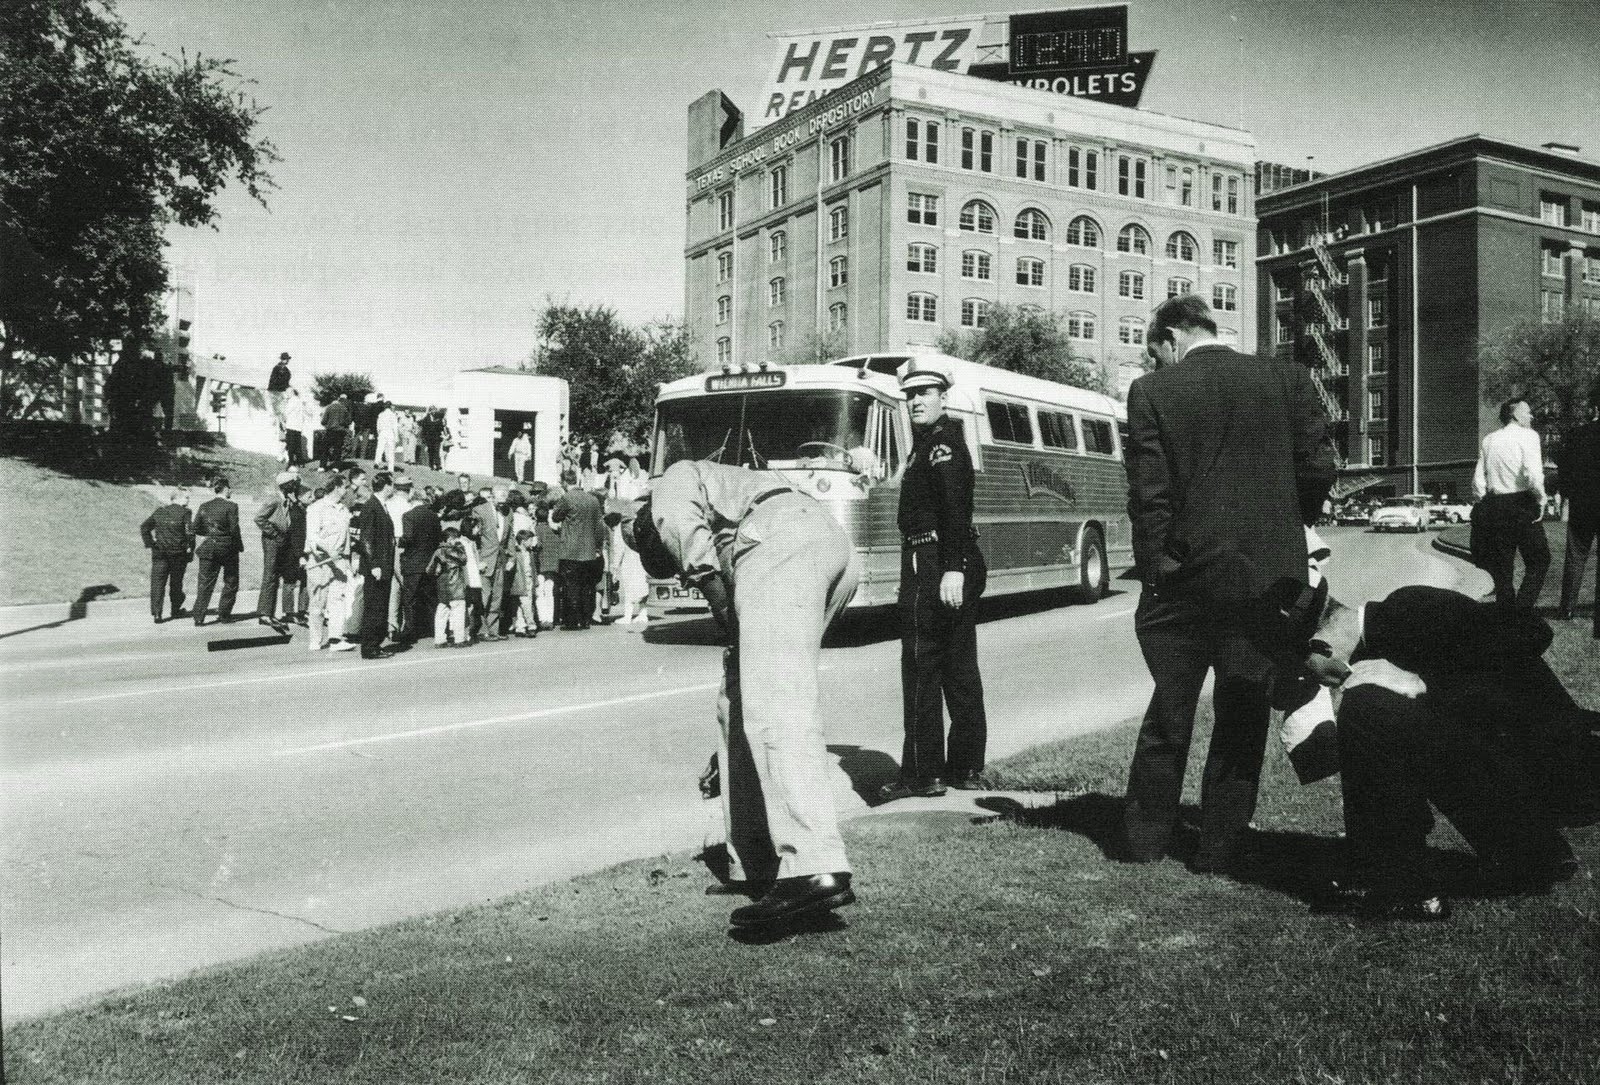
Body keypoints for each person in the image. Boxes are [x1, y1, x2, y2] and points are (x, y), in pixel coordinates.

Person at [1120, 292, 1337, 874]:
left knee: (1168, 713)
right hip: (1268, 583)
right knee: (1242, 714)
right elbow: (1319, 466)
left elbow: (1149, 499)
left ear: (1170, 339)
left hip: (1185, 581)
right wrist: (1287, 523)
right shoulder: (1286, 379)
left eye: (1155, 352)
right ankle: (1220, 847)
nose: (1156, 362)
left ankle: (1143, 839)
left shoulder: (1152, 392)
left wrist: (1158, 576)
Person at [625, 459, 860, 928]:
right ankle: (755, 861)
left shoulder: (672, 481)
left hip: (779, 544)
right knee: (739, 700)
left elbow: (679, 526)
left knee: (778, 707)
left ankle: (814, 866)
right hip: (827, 542)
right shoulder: (737, 486)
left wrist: (712, 590)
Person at [1307, 585, 1598, 920]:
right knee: (1381, 706)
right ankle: (1534, 852)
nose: (1311, 679)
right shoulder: (1388, 627)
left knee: (1366, 708)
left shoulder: (1408, 607)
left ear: (1320, 645)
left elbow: (1532, 629)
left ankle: (1403, 888)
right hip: (1522, 766)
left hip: (1562, 769)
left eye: (1305, 668)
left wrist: (1423, 680)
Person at [878, 358, 990, 802]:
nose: (915, 401)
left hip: (934, 559)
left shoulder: (940, 446)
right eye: (909, 394)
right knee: (959, 667)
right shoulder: (932, 444)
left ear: (944, 397)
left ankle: (924, 775)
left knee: (923, 667)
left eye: (925, 393)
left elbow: (955, 508)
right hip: (941, 558)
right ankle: (964, 766)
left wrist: (954, 567)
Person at [1471, 397, 1550, 609]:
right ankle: (1522, 610)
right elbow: (1533, 473)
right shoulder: (1529, 436)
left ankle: (1506, 612)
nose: (1531, 416)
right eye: (1527, 412)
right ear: (1514, 415)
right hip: (1523, 503)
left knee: (1503, 566)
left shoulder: (1489, 440)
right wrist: (1541, 498)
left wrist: (1484, 502)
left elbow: (1478, 480)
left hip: (1495, 504)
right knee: (1539, 560)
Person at [1555, 388, 1600, 636]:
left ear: (1594, 409)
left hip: (1583, 503)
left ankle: (1567, 608)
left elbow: (1565, 470)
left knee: (1576, 556)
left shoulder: (1575, 435)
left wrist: (1568, 495)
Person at [304, 475, 357, 651]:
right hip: (320, 562)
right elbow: (313, 536)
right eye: (345, 487)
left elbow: (347, 537)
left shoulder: (343, 509)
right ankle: (315, 640)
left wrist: (347, 559)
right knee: (318, 602)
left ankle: (335, 639)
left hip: (339, 561)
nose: (347, 490)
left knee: (338, 600)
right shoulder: (316, 508)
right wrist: (329, 550)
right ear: (336, 487)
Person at [551, 468, 607, 630]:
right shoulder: (593, 500)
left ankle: (571, 620)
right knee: (586, 586)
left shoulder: (566, 498)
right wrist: (598, 547)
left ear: (564, 482)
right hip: (589, 551)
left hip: (570, 550)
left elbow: (555, 517)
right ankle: (585, 619)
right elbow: (599, 527)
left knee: (570, 585)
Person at [354, 472, 398, 659]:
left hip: (383, 565)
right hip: (377, 566)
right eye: (392, 484)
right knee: (374, 606)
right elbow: (366, 539)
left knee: (380, 606)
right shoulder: (372, 507)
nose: (393, 488)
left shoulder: (379, 505)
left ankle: (376, 644)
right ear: (386, 486)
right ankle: (370, 646)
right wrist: (374, 565)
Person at [189, 476, 244, 626]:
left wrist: (209, 533)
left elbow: (194, 528)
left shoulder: (204, 506)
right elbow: (234, 529)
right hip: (227, 548)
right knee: (231, 582)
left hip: (208, 548)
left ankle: (198, 617)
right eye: (229, 489)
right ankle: (224, 614)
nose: (230, 491)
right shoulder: (231, 506)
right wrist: (238, 546)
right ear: (225, 489)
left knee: (205, 583)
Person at [254, 471, 304, 631]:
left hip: (280, 540)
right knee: (270, 576)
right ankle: (264, 613)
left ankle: (268, 612)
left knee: (275, 575)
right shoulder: (275, 500)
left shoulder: (286, 500)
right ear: (288, 485)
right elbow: (259, 518)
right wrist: (275, 534)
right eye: (294, 484)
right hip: (272, 541)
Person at [399, 485, 443, 645]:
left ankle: (410, 631)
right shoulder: (434, 516)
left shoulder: (408, 516)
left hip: (413, 562)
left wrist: (399, 541)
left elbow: (408, 538)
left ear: (412, 499)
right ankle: (435, 627)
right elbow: (438, 538)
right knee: (431, 597)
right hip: (430, 561)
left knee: (410, 598)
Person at [140, 489, 193, 623]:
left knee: (157, 583)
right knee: (176, 583)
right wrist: (190, 550)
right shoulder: (186, 513)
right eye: (186, 498)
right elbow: (190, 534)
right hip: (178, 554)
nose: (188, 500)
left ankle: (157, 614)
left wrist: (151, 544)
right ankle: (175, 610)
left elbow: (144, 527)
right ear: (178, 498)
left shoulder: (160, 511)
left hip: (160, 553)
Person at [472, 486, 511, 641]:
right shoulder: (479, 510)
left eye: (504, 502)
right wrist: (477, 561)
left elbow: (510, 537)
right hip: (485, 559)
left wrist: (511, 557)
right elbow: (474, 538)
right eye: (499, 502)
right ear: (492, 497)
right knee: (484, 596)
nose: (502, 506)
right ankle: (481, 629)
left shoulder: (508, 512)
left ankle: (493, 630)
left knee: (497, 597)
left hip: (500, 560)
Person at [428, 517, 472, 647]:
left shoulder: (437, 551)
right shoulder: (454, 550)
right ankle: (459, 639)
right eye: (456, 538)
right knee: (458, 612)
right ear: (450, 539)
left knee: (441, 613)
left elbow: (429, 569)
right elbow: (463, 559)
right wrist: (459, 545)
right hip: (456, 586)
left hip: (442, 587)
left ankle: (439, 639)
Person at [320, 393, 352, 469]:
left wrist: (327, 423)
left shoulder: (329, 408)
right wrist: (343, 424)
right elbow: (349, 421)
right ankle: (336, 467)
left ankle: (322, 466)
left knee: (325, 449)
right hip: (340, 431)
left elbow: (323, 421)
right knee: (338, 449)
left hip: (330, 431)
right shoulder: (343, 408)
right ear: (337, 399)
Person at [375, 400, 399, 471]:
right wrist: (396, 436)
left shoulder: (381, 414)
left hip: (382, 432)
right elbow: (395, 427)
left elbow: (378, 426)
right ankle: (390, 468)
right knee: (390, 450)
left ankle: (377, 461)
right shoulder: (393, 415)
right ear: (391, 406)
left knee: (380, 448)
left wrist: (379, 433)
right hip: (390, 432)